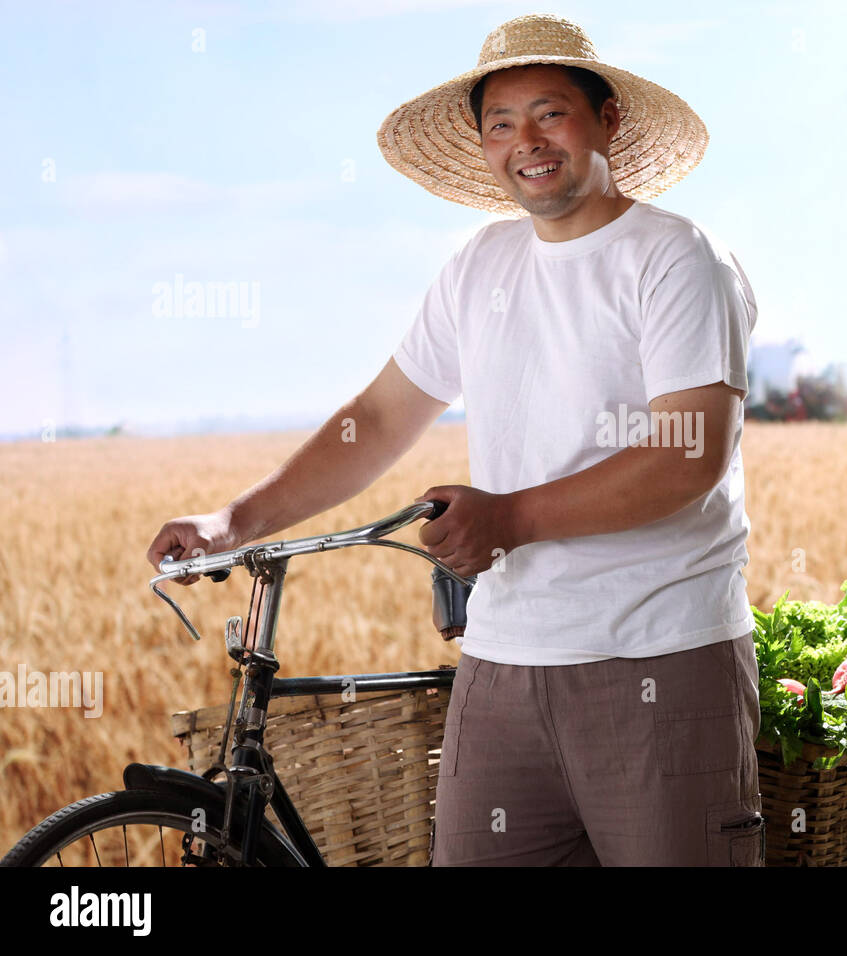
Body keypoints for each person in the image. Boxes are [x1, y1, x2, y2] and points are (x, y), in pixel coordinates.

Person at [146, 13, 763, 866]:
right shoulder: (480, 266)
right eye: (501, 124)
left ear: (608, 118)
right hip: (501, 667)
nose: (527, 142)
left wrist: (510, 518)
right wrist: (231, 522)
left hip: (660, 658)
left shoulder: (678, 258)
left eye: (551, 113)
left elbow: (686, 456)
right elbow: (379, 419)